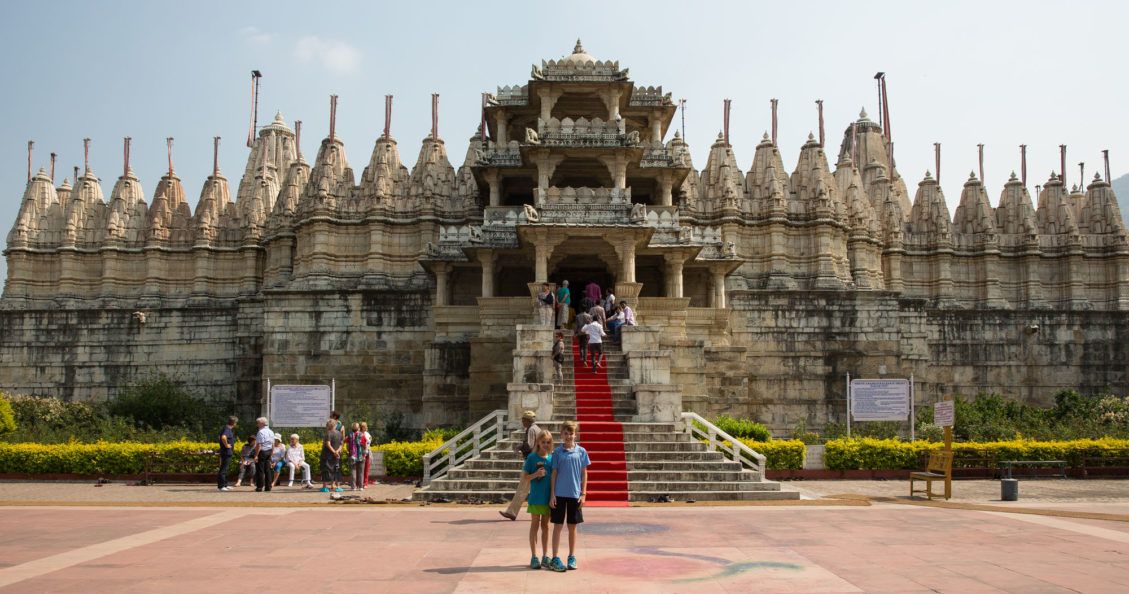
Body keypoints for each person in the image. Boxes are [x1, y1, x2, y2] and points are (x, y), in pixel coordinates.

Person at [549, 420, 590, 572]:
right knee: (557, 526)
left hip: (574, 494)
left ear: (575, 434)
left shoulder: (581, 452)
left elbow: (584, 473)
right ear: (561, 434)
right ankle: (554, 557)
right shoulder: (557, 452)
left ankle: (572, 556)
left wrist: (583, 493)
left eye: (571, 433)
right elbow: (554, 474)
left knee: (572, 527)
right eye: (565, 433)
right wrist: (552, 494)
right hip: (559, 494)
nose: (568, 436)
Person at [500, 411, 541, 520]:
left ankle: (512, 512)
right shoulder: (536, 429)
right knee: (533, 487)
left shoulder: (531, 429)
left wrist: (518, 447)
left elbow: (529, 445)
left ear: (528, 420)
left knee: (523, 487)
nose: (522, 422)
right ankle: (512, 511)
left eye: (524, 420)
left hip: (531, 461)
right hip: (536, 461)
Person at [524, 429, 554, 570]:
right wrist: (536, 474)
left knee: (546, 526)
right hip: (536, 497)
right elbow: (525, 477)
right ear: (538, 442)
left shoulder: (552, 458)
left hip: (548, 498)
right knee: (534, 526)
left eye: (548, 442)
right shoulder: (532, 458)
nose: (546, 445)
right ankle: (534, 556)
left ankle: (545, 555)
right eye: (543, 442)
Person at [253, 417, 275, 492]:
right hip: (269, 451)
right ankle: (268, 487)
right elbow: (273, 444)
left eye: (258, 423)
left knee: (260, 470)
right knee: (267, 470)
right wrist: (271, 453)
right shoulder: (271, 431)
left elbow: (259, 445)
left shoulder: (260, 432)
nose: (257, 424)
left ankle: (259, 487)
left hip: (262, 452)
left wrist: (256, 455)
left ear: (262, 423)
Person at [321, 419, 343, 493]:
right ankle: (338, 487)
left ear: (328, 426)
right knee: (336, 470)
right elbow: (341, 444)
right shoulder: (339, 433)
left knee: (326, 470)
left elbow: (328, 444)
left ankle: (325, 487)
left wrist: (333, 452)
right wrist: (337, 452)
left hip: (327, 455)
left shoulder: (328, 433)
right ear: (335, 425)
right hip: (337, 455)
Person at [217, 415, 237, 491]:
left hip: (226, 451)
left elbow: (220, 437)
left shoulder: (225, 428)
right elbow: (223, 437)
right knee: (223, 469)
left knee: (226, 468)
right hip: (226, 451)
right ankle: (221, 486)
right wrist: (226, 445)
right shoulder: (227, 429)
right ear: (234, 423)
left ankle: (225, 484)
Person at [346, 422, 368, 490]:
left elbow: (347, 444)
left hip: (352, 455)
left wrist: (349, 451)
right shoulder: (362, 435)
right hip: (361, 456)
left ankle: (353, 487)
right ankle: (361, 487)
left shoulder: (349, 435)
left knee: (353, 471)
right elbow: (364, 445)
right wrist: (364, 453)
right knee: (361, 472)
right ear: (358, 428)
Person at [360, 421, 374, 488]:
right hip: (360, 453)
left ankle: (365, 483)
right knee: (360, 469)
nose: (366, 427)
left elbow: (369, 442)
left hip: (367, 452)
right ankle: (360, 482)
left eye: (366, 426)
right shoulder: (358, 434)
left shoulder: (368, 434)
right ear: (362, 427)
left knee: (366, 468)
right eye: (365, 426)